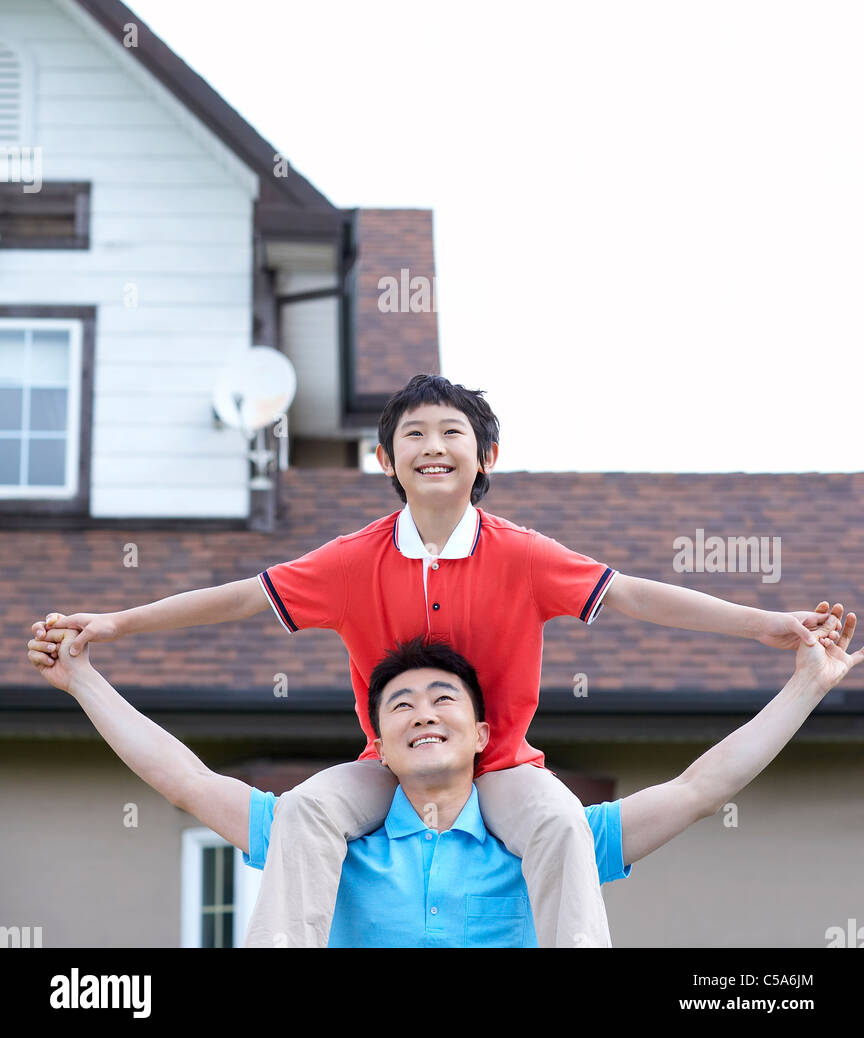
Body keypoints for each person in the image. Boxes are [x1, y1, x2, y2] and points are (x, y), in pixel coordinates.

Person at [31, 375, 841, 948]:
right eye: (413, 433)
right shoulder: (352, 561)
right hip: (381, 768)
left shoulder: (523, 555)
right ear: (385, 460)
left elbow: (635, 603)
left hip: (507, 764)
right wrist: (114, 628)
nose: (434, 446)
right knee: (308, 810)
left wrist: (763, 625)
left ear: (486, 455)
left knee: (559, 819)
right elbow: (238, 607)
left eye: (453, 432)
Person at [26, 606, 861, 948]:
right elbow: (183, 780)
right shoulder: (323, 843)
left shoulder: (547, 840)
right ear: (378, 747)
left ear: (484, 732)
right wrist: (85, 680)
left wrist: (804, 686)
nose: (423, 711)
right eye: (400, 705)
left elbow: (698, 788)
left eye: (441, 698)